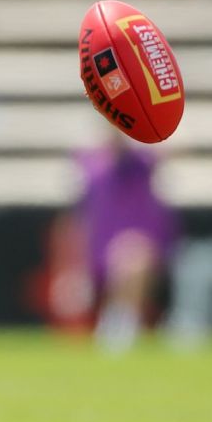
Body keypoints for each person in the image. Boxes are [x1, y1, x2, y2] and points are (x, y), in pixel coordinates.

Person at [75, 137, 180, 353]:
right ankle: (119, 320)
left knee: (133, 257)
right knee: (127, 258)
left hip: (145, 248)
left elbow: (159, 153)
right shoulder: (95, 168)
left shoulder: (139, 165)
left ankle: (123, 321)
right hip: (104, 253)